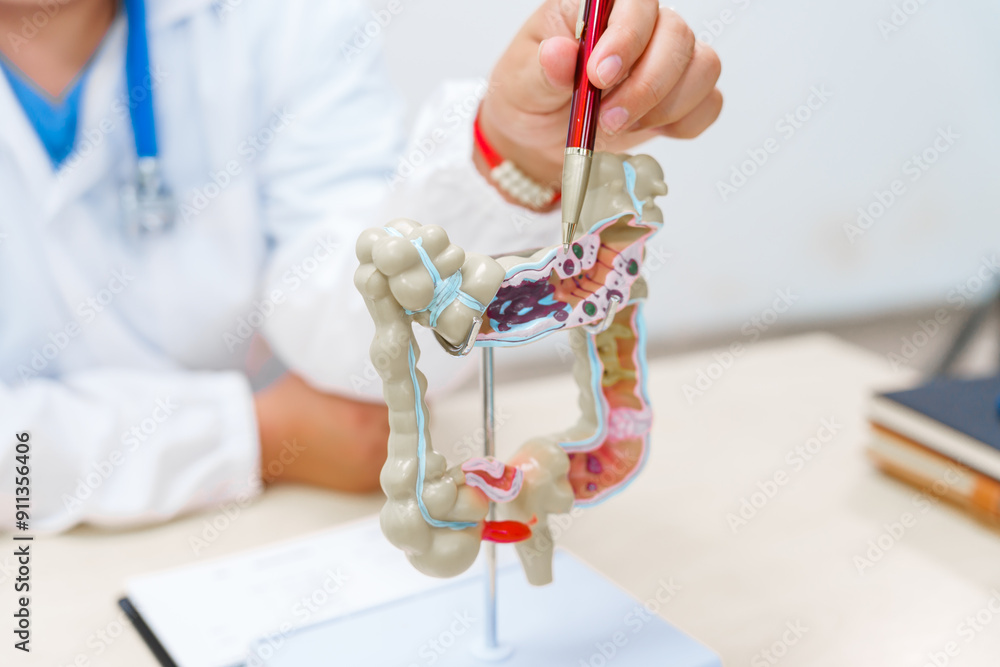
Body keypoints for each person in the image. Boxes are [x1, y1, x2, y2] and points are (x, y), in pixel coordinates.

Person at [0, 0, 721, 531]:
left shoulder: (282, 22)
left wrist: (507, 156)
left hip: (277, 528)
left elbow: (358, 345)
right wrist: (257, 434)